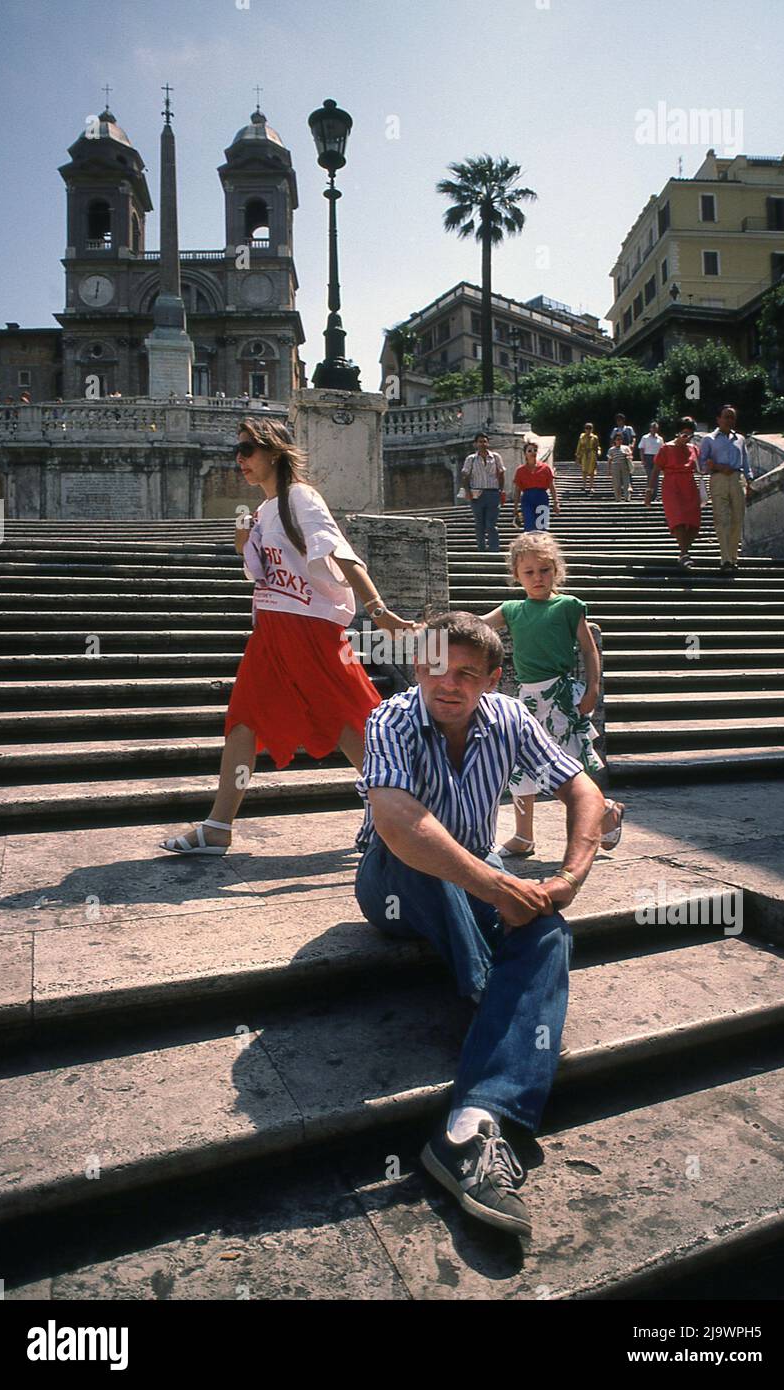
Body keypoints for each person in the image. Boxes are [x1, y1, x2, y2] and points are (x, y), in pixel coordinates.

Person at [354, 610, 606, 1239]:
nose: (449, 682)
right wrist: (500, 887)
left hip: (476, 872)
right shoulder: (391, 717)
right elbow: (395, 819)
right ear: (417, 667)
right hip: (395, 880)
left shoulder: (512, 718)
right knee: (432, 848)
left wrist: (568, 880)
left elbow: (585, 792)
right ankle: (494, 1003)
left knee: (548, 929)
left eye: (468, 673)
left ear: (492, 681)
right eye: (436, 665)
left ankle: (473, 1125)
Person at [161, 418, 416, 854]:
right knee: (243, 719)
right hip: (273, 627)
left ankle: (406, 810)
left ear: (274, 451)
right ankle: (218, 826)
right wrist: (246, 544)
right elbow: (263, 575)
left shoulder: (301, 496)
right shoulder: (262, 511)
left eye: (248, 450)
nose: (240, 459)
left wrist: (378, 609)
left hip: (307, 626)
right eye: (237, 451)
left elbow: (338, 552)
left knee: (346, 720)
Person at [481, 532, 624, 858]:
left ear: (556, 571)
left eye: (544, 570)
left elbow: (589, 651)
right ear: (516, 574)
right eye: (529, 572)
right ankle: (523, 836)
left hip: (562, 699)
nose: (537, 578)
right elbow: (478, 625)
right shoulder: (512, 609)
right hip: (528, 701)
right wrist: (439, 626)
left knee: (571, 765)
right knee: (519, 765)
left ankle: (605, 811)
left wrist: (593, 688)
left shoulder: (568, 606)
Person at [698, 404, 753, 573]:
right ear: (718, 419)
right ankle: (725, 558)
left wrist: (750, 481)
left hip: (737, 479)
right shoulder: (709, 439)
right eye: (726, 416)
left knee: (737, 518)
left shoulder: (740, 439)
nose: (729, 420)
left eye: (732, 417)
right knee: (721, 519)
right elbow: (701, 463)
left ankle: (733, 556)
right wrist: (717, 466)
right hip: (718, 479)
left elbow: (746, 462)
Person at [645, 415, 701, 569]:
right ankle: (684, 553)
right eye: (684, 434)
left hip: (689, 486)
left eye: (690, 435)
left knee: (694, 523)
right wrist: (649, 490)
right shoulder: (666, 448)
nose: (686, 438)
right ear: (677, 433)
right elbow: (656, 470)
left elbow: (700, 467)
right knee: (679, 520)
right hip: (672, 486)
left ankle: (684, 550)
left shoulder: (694, 449)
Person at [460, 431, 505, 552]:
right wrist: (467, 491)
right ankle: (481, 548)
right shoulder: (471, 459)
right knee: (479, 524)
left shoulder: (496, 457)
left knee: (491, 524)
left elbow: (501, 474)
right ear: (475, 444)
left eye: (485, 441)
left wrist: (501, 490)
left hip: (493, 493)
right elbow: (465, 476)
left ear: (488, 443)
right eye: (480, 441)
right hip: (477, 494)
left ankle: (494, 549)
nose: (483, 444)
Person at [512, 436, 559, 531]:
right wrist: (516, 507)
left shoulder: (545, 468)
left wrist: (556, 502)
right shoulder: (520, 470)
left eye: (535, 450)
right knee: (529, 526)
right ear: (525, 454)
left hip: (541, 496)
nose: (533, 452)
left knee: (542, 526)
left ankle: (542, 545)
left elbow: (551, 486)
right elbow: (517, 490)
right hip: (527, 498)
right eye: (529, 451)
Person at [638, 420, 664, 502]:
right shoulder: (645, 437)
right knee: (650, 477)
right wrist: (642, 459)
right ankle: (649, 495)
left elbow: (663, 450)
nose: (654, 430)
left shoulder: (660, 439)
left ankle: (655, 495)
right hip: (648, 457)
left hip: (657, 457)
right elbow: (641, 448)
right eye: (653, 428)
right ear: (650, 429)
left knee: (656, 477)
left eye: (656, 428)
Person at [575, 423, 601, 495]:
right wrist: (578, 456)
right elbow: (579, 446)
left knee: (592, 471)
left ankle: (591, 486)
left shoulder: (594, 437)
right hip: (584, 454)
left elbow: (597, 446)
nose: (588, 430)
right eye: (587, 428)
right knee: (584, 470)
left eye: (590, 428)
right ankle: (584, 485)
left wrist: (598, 452)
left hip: (592, 455)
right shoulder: (582, 437)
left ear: (592, 429)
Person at [606, 431, 634, 501]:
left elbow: (631, 457)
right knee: (616, 483)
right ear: (615, 440)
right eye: (618, 439)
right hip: (615, 466)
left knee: (626, 482)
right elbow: (609, 460)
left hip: (624, 465)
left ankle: (627, 498)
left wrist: (628, 455)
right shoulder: (611, 449)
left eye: (620, 439)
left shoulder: (626, 448)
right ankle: (618, 498)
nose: (619, 441)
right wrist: (609, 470)